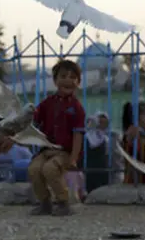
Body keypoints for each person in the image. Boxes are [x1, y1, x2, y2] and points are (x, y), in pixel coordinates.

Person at [27, 59, 85, 216]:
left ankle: (63, 202)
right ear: (55, 80)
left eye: (73, 77)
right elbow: (34, 121)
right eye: (63, 76)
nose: (68, 80)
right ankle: (45, 203)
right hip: (46, 150)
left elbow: (78, 134)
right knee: (34, 169)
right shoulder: (47, 103)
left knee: (50, 169)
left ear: (78, 82)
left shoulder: (77, 108)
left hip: (64, 152)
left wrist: (73, 158)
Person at [82, 112, 113, 192]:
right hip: (90, 169)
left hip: (103, 169)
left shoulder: (107, 137)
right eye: (101, 122)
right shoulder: (87, 136)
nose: (103, 125)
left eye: (106, 123)